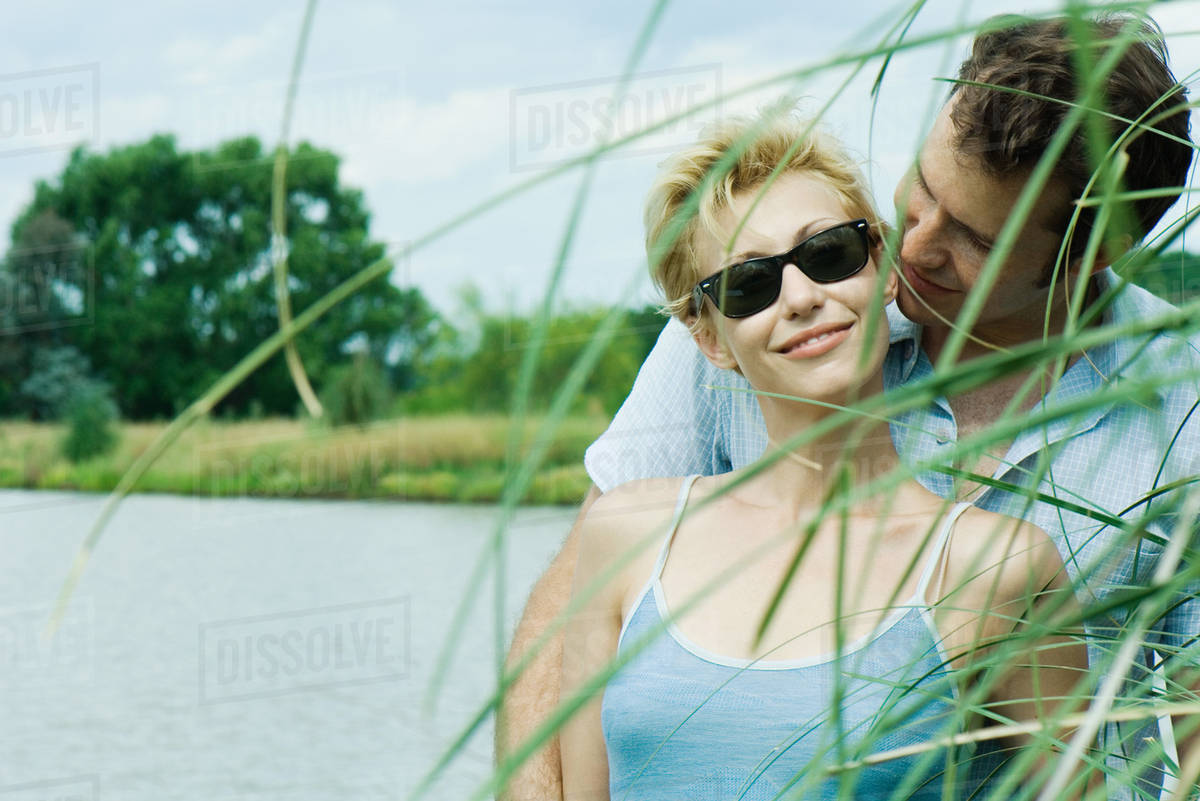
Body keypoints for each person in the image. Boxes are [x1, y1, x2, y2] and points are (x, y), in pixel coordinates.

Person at [497, 12, 1199, 801]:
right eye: (921, 191)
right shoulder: (745, 319)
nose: (916, 246)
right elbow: (572, 622)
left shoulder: (1186, 409)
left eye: (974, 238)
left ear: (1095, 251)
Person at [558, 109, 1091, 799]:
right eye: (749, 284)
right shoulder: (628, 536)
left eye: (828, 253)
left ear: (884, 268)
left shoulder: (995, 568)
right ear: (711, 339)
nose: (802, 298)